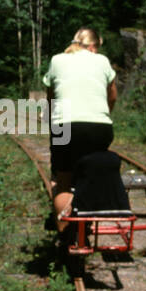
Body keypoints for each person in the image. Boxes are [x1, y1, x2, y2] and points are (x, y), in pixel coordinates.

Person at [42, 27, 117, 230]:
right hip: (99, 128)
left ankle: (67, 233)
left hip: (64, 126)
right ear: (93, 46)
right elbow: (112, 96)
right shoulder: (102, 61)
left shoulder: (57, 60)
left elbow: (51, 99)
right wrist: (101, 114)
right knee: (91, 175)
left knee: (62, 181)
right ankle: (87, 225)